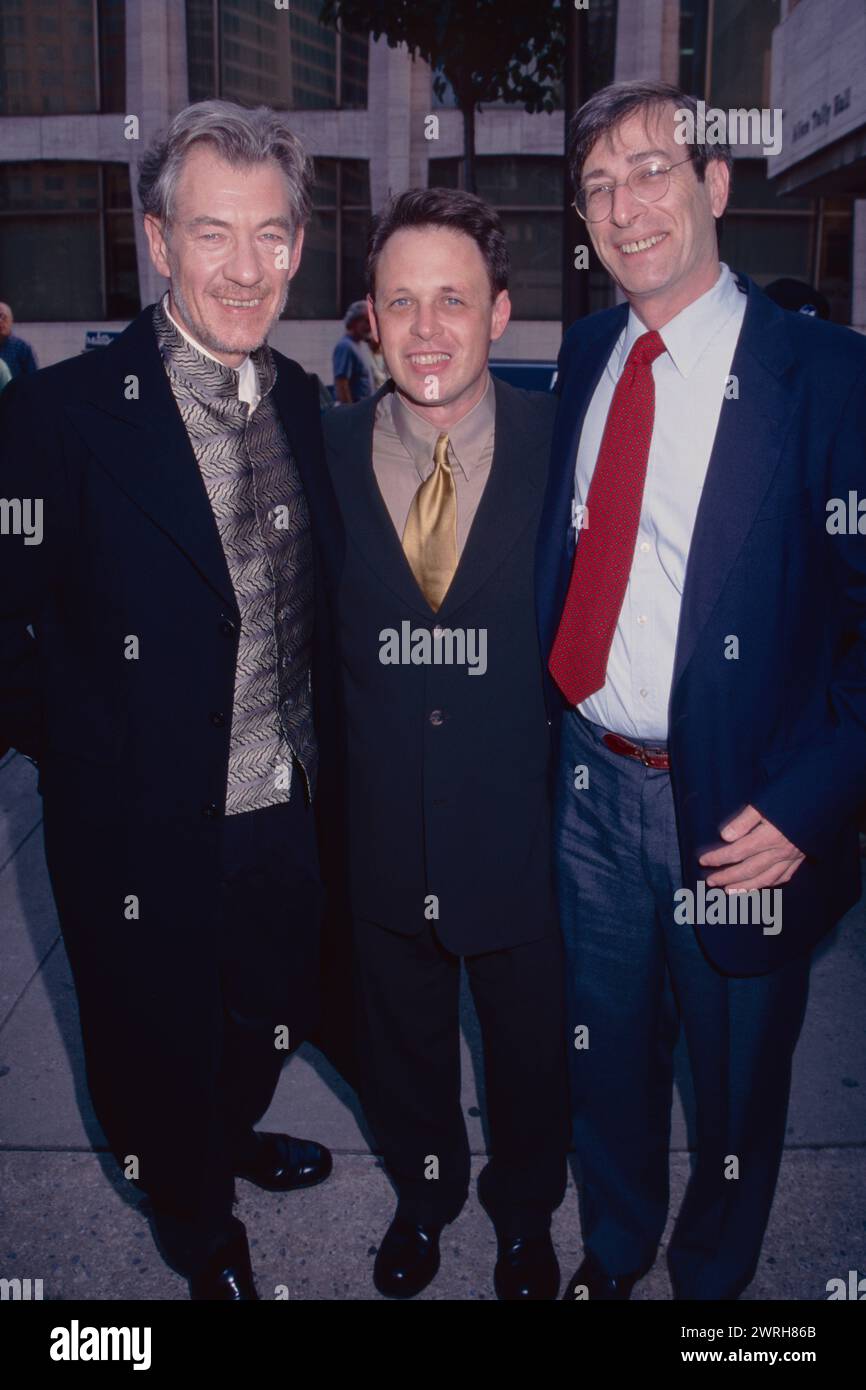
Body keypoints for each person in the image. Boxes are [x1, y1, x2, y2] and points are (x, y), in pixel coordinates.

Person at [0, 100, 345, 1300]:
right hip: (138, 818)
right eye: (212, 233)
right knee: (152, 1036)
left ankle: (223, 1131)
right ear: (158, 240)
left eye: (268, 235)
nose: (243, 268)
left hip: (282, 804)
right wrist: (85, 744)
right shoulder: (57, 417)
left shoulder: (305, 402)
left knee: (269, 1012)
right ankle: (199, 1225)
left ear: (298, 245)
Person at [537, 79, 866, 1302]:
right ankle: (614, 1246)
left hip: (743, 821)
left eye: (650, 170)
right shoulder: (581, 357)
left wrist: (811, 802)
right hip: (588, 793)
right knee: (606, 1060)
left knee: (734, 1082)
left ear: (713, 184)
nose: (623, 206)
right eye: (597, 184)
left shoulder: (828, 378)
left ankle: (711, 1280)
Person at [322, 189, 570, 1301]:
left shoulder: (565, 449)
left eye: (453, 301)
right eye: (401, 301)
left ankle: (524, 1216)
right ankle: (424, 1200)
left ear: (500, 314)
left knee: (527, 1056)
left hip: (523, 836)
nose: (426, 330)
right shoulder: (315, 456)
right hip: (378, 835)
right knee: (405, 1053)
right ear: (367, 316)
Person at [332, 300, 373, 402]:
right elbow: (341, 383)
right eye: (367, 322)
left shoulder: (358, 346)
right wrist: (349, 412)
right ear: (354, 322)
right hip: (355, 411)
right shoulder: (345, 346)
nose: (370, 327)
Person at [0, 302, 38, 377]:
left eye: (3, 317)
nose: (0, 321)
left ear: (11, 321)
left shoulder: (22, 348)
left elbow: (33, 378)